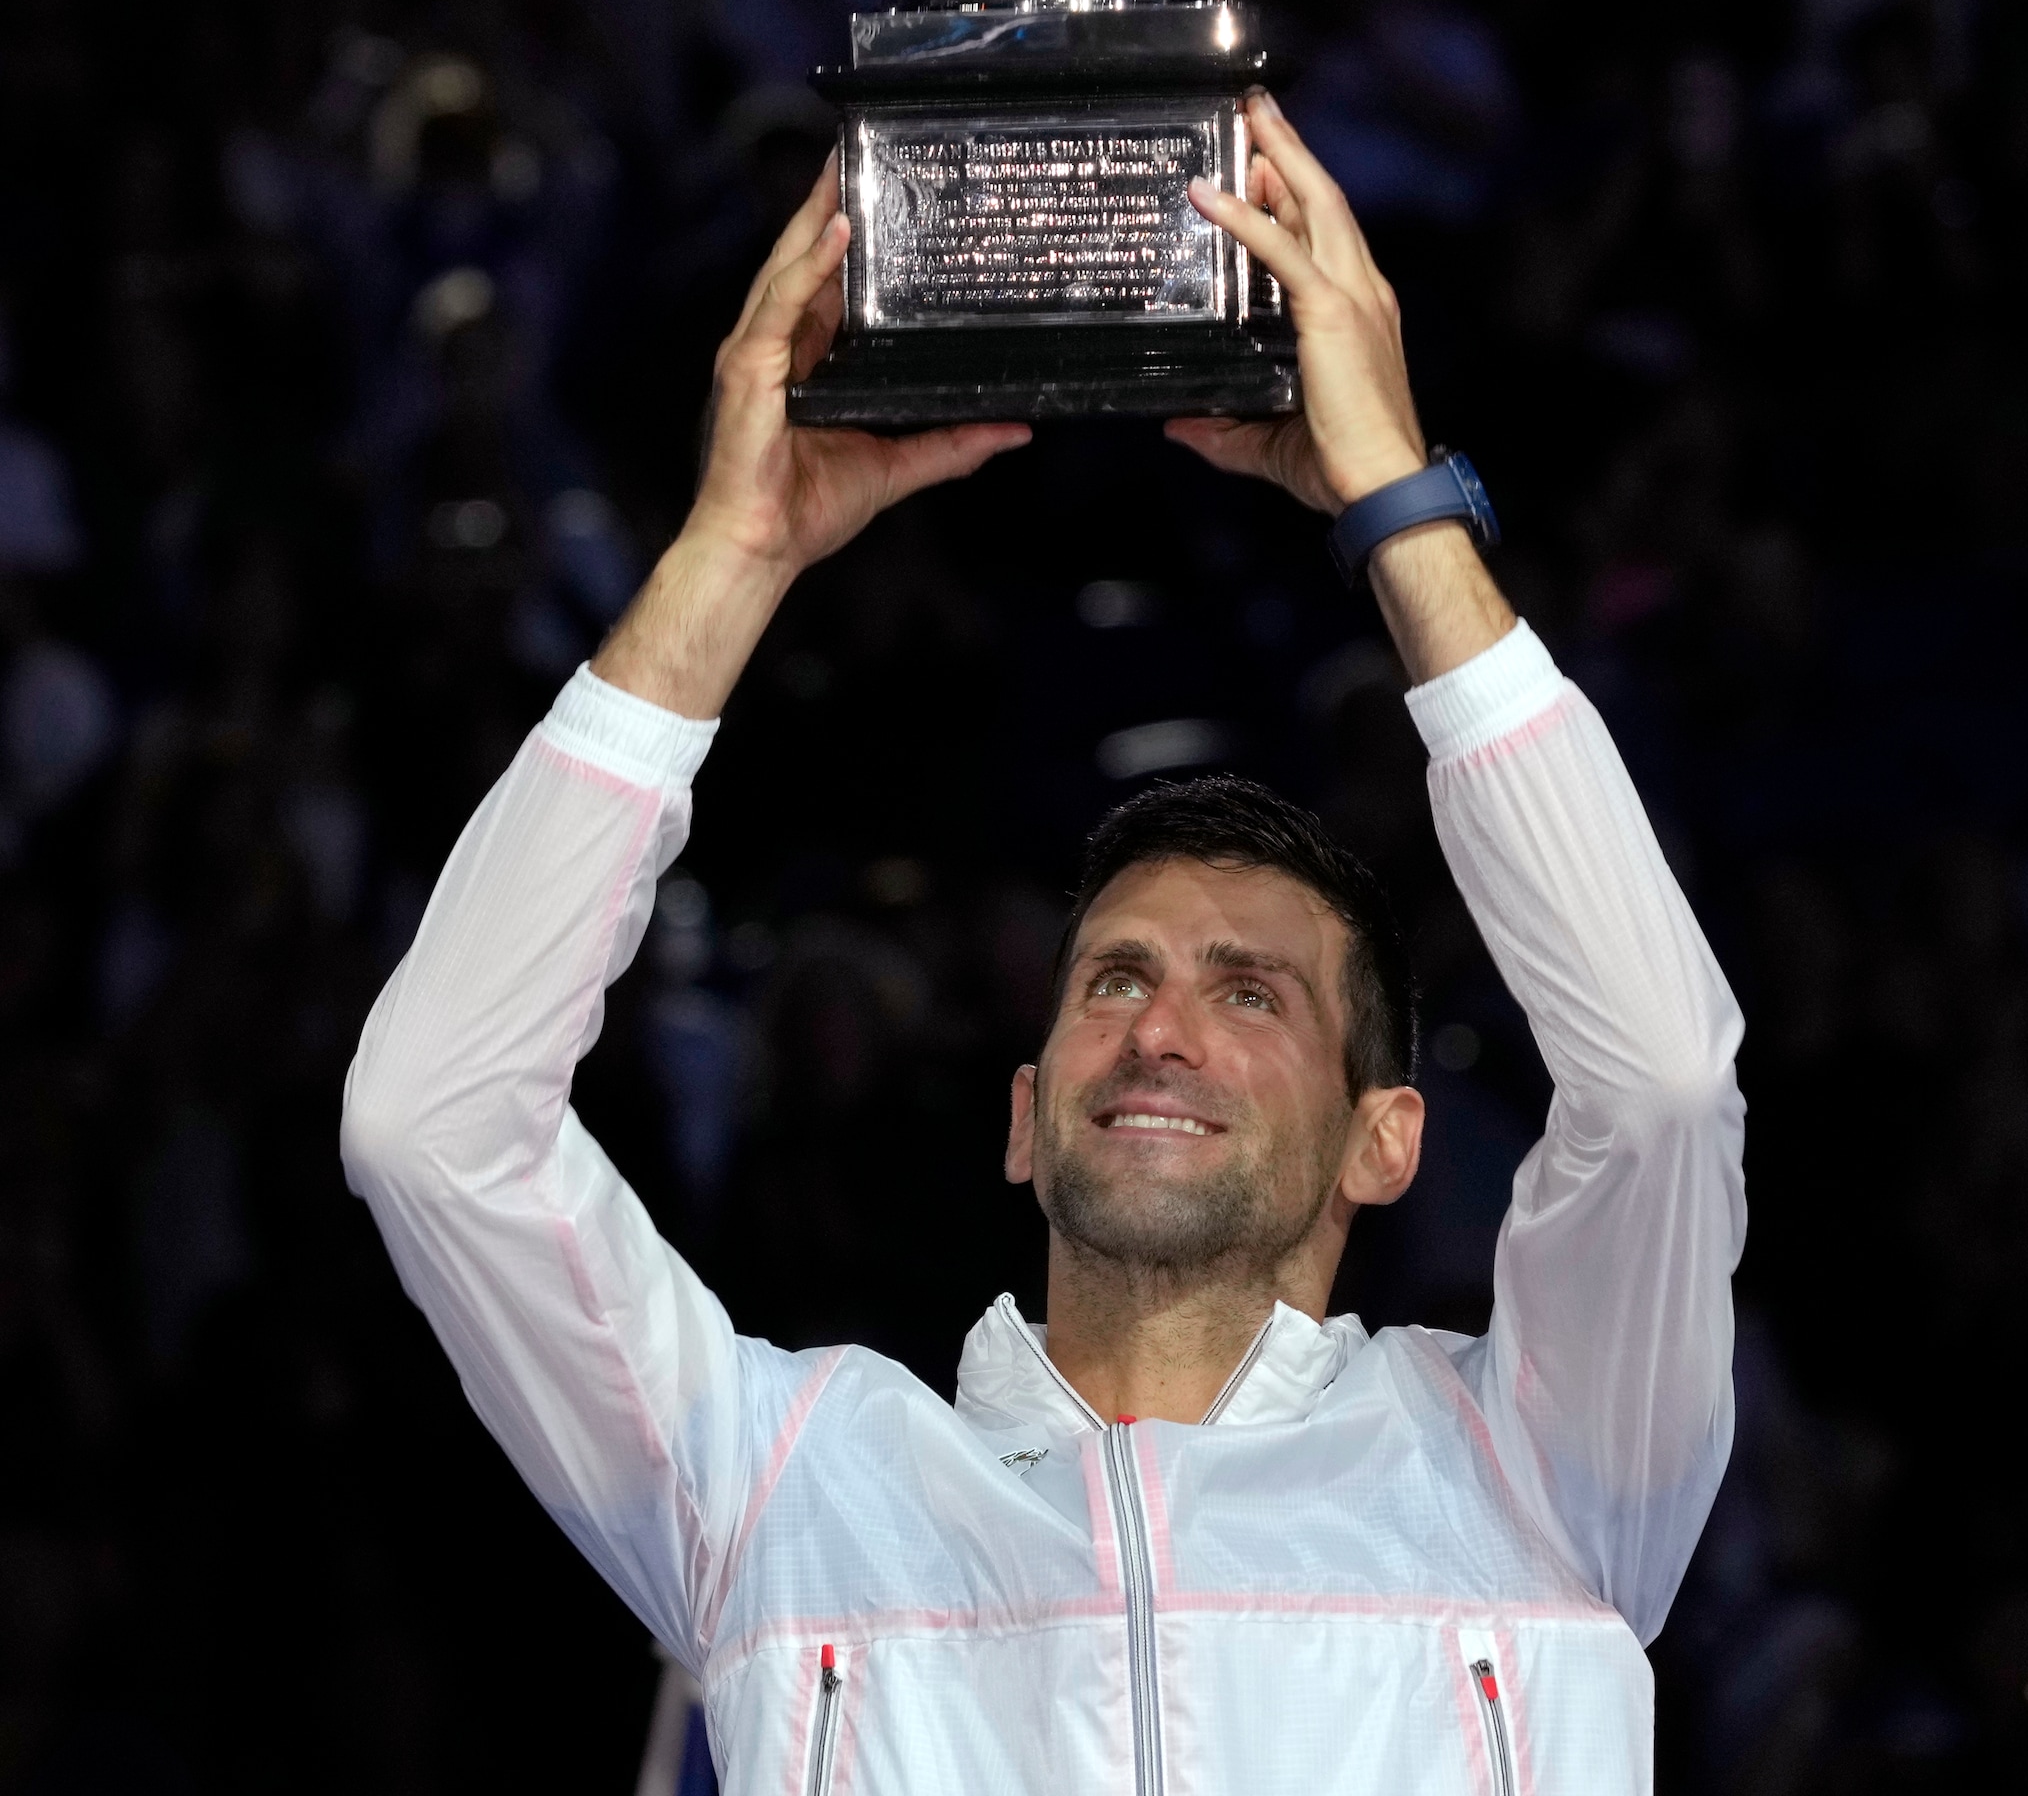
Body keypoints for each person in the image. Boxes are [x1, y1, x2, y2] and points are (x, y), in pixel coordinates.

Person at [340, 94, 1744, 1796]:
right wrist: (733, 551)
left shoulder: (1539, 1467)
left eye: (1254, 993)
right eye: (1115, 979)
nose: (1163, 1029)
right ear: (1022, 1111)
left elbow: (1662, 1078)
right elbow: (433, 1122)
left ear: (1390, 1139)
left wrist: (1397, 502)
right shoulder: (788, 1490)